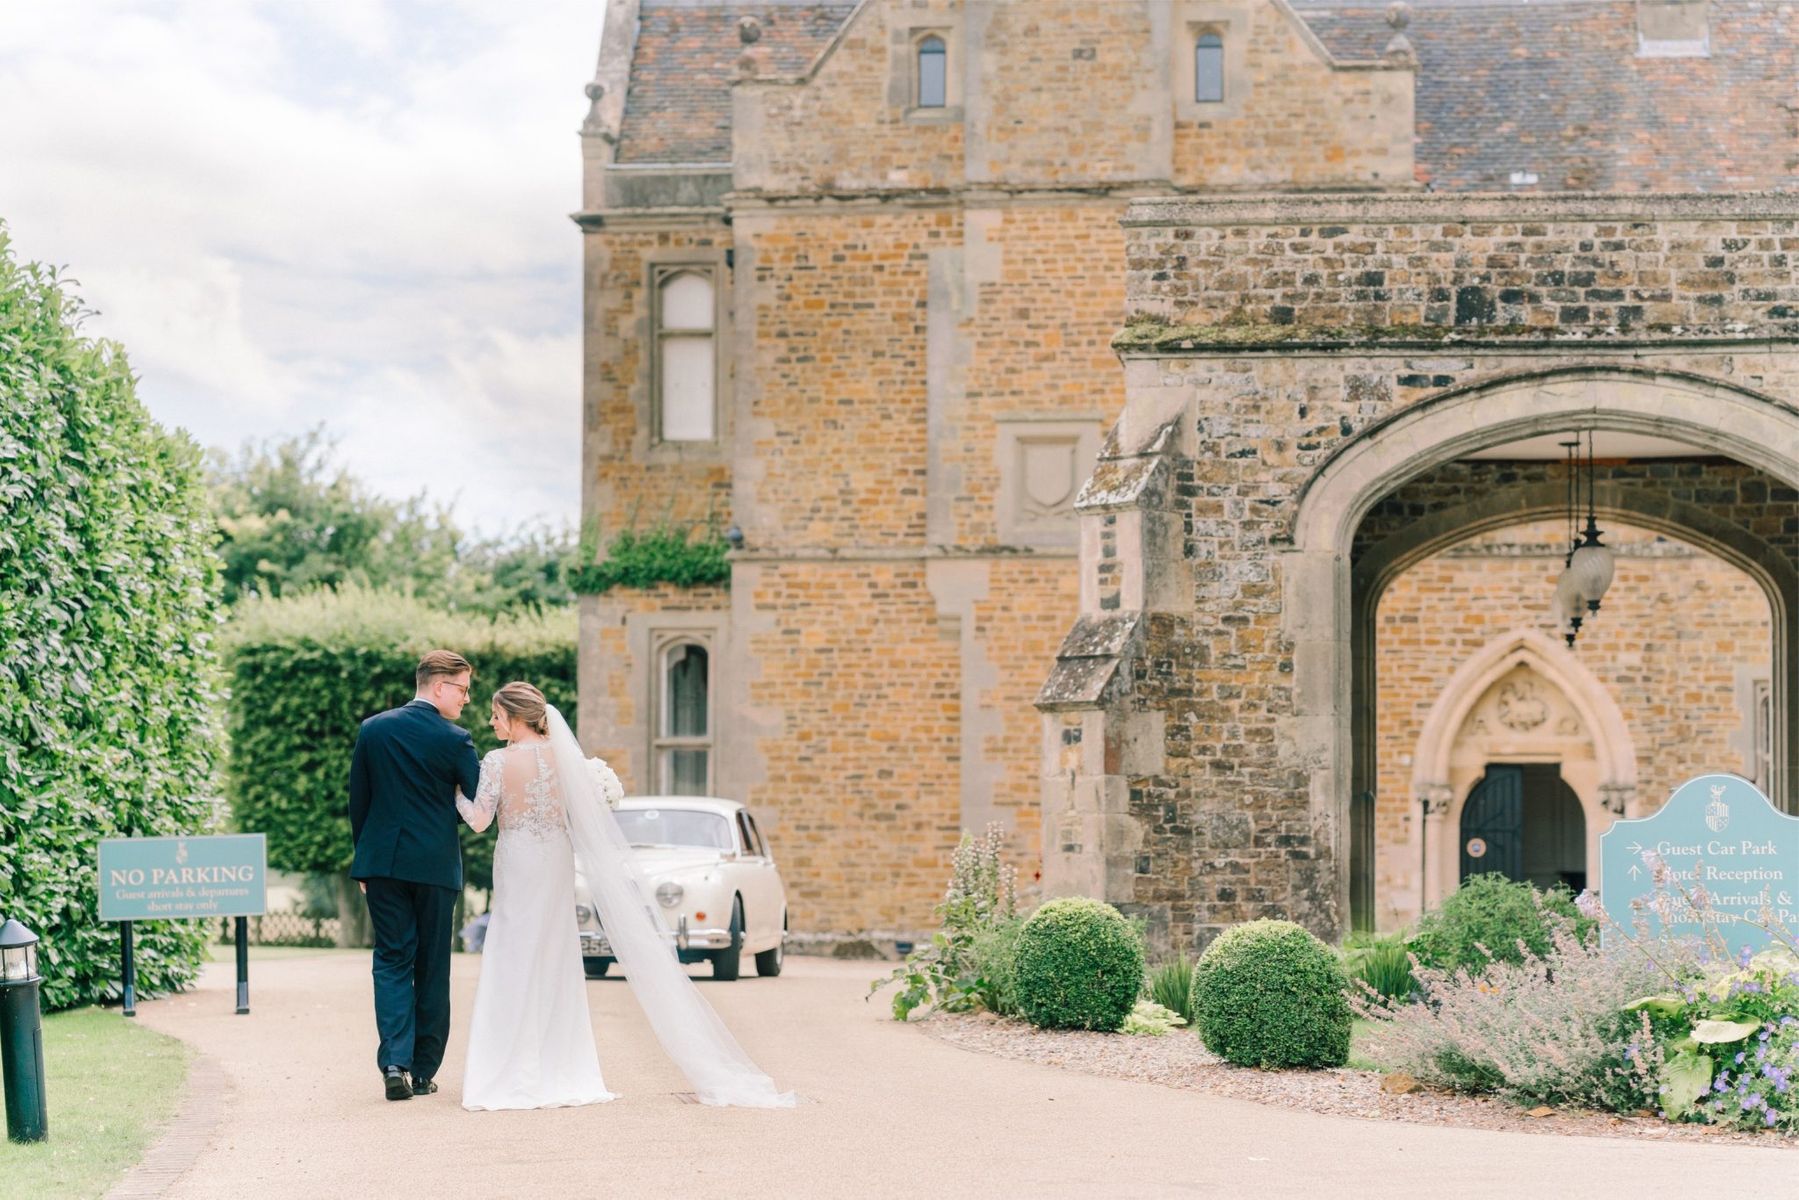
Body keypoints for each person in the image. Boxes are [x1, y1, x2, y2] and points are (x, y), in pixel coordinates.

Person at [455, 682, 794, 1110]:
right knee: (554, 955)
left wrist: (454, 794)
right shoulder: (567, 759)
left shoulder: (498, 761)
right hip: (556, 861)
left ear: (514, 717)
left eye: (496, 714)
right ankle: (561, 1068)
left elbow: (481, 821)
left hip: (520, 863)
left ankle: (508, 1070)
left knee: (513, 954)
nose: (491, 721)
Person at [348, 649, 481, 1102]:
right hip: (435, 867)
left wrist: (363, 860)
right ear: (439, 686)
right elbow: (474, 804)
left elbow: (359, 801)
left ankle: (394, 1063)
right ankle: (423, 1071)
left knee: (391, 959)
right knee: (431, 965)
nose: (466, 699)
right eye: (462, 689)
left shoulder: (374, 729)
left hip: (382, 863)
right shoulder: (456, 739)